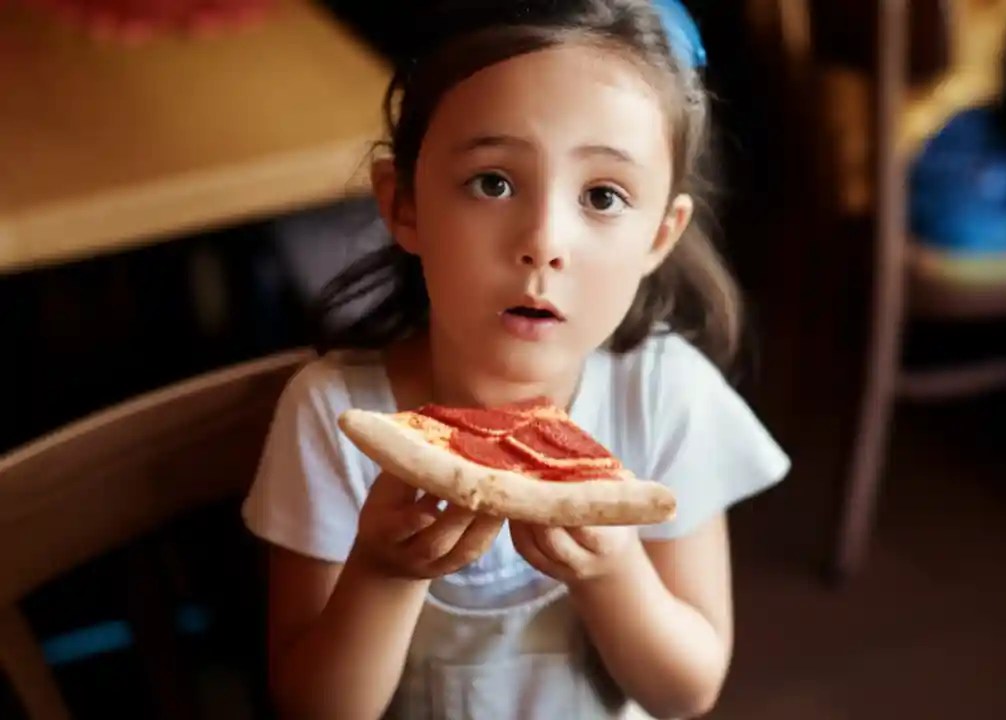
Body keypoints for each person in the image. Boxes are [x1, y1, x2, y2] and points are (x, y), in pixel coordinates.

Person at [239, 1, 791, 718]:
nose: (543, 241)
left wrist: (612, 571)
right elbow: (317, 711)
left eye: (602, 195)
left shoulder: (666, 394)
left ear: (661, 235)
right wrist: (383, 572)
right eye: (493, 182)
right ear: (403, 204)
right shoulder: (333, 414)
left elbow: (686, 692)